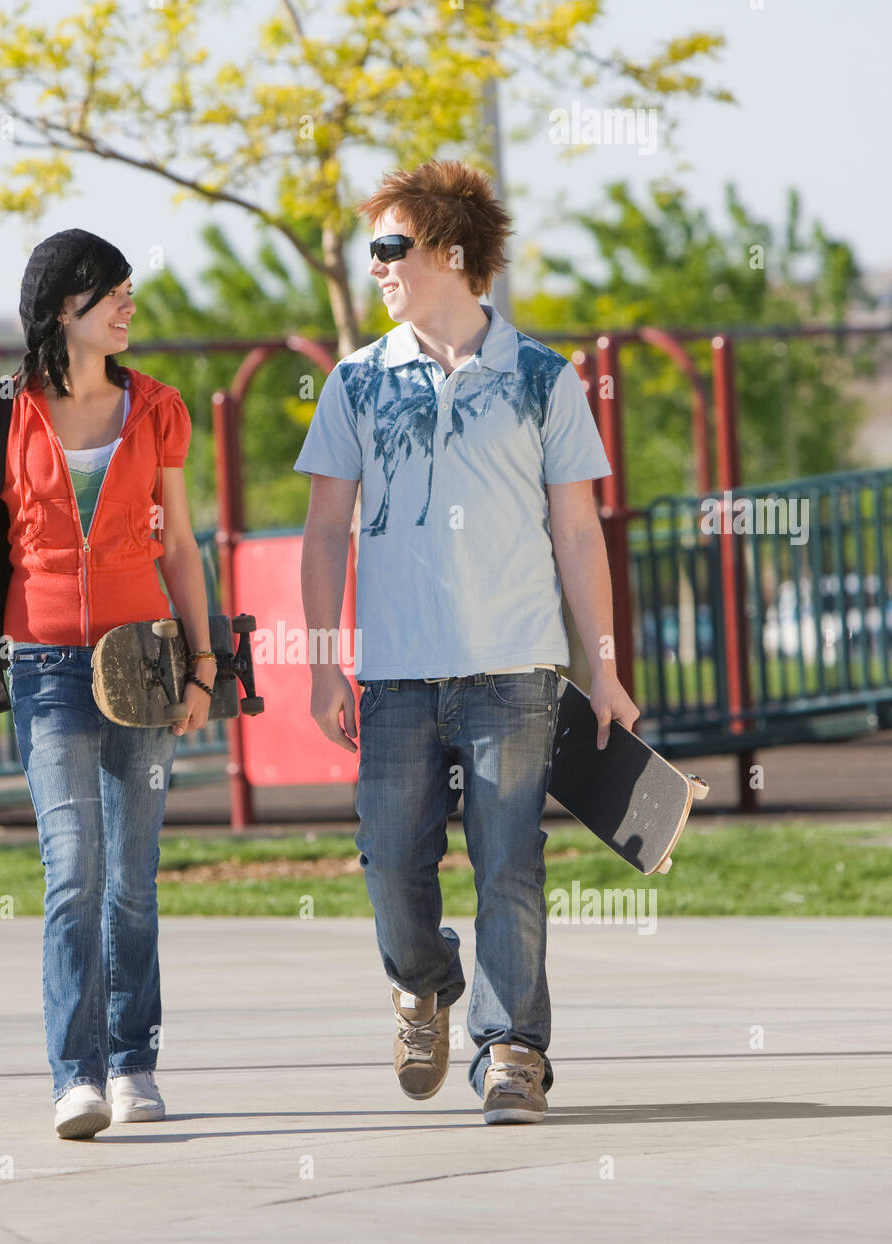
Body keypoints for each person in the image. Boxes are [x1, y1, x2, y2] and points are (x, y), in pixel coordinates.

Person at [296, 159, 638, 1124]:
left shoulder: (542, 379)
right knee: (392, 868)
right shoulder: (356, 382)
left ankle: (513, 1050)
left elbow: (579, 533)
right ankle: (423, 983)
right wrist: (325, 661)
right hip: (396, 676)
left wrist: (603, 671)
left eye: (392, 247)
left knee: (510, 864)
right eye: (372, 251)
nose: (378, 267)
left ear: (451, 253)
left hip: (515, 672)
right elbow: (326, 531)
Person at [0, 229, 218, 1140]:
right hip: (44, 666)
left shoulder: (160, 408)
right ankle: (76, 1075)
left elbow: (178, 545)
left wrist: (206, 664)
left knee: (133, 876)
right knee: (73, 872)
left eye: (131, 289)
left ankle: (134, 1062)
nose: (130, 305)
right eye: (114, 292)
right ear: (66, 308)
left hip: (145, 663)